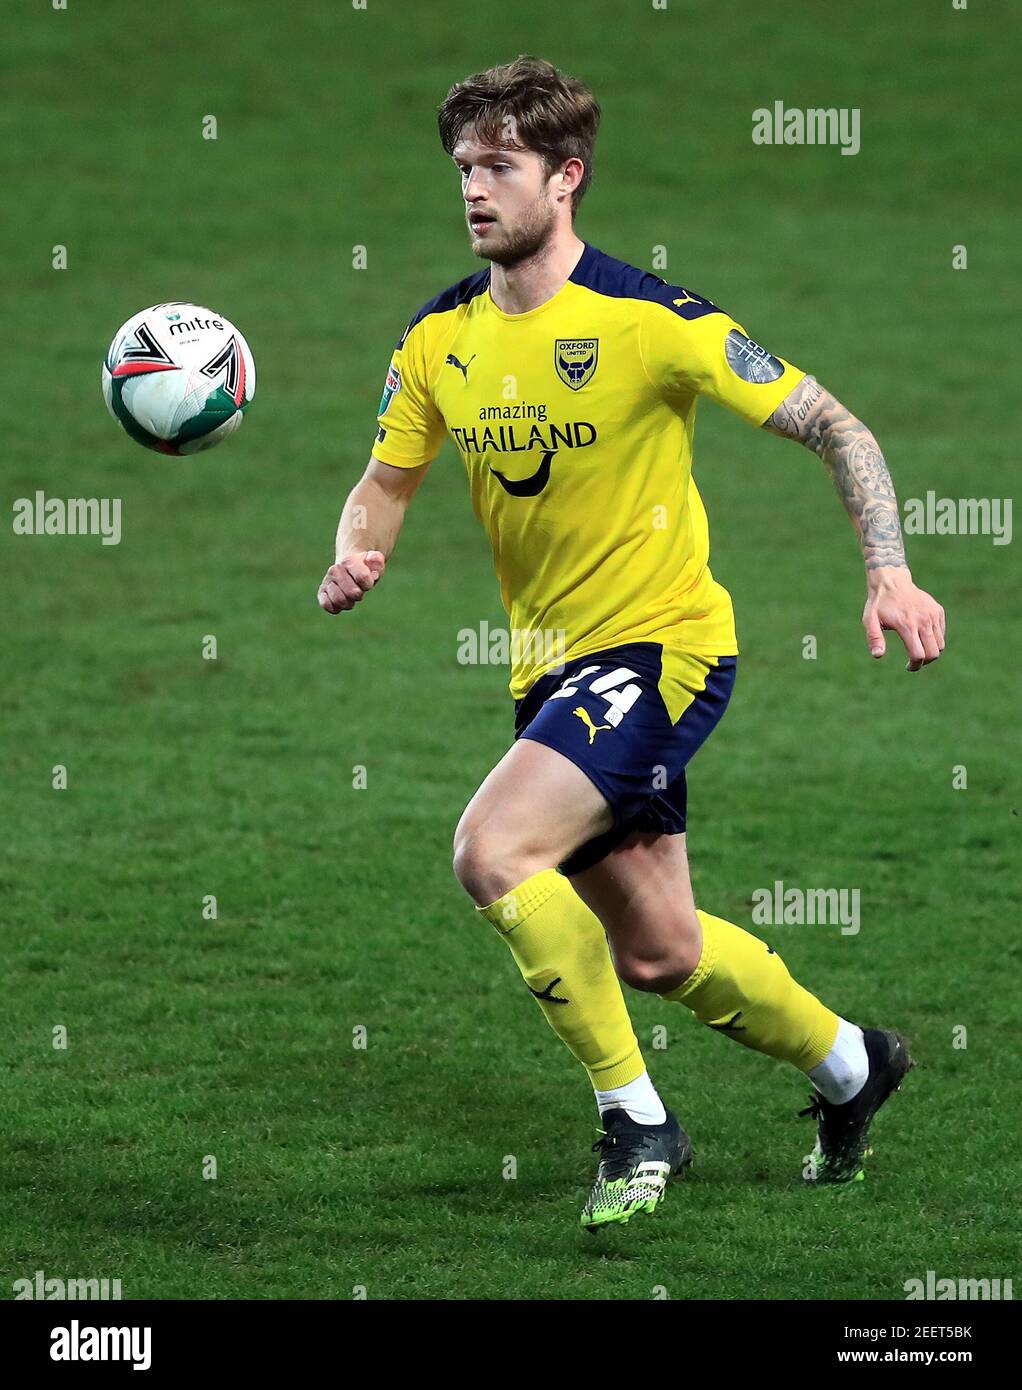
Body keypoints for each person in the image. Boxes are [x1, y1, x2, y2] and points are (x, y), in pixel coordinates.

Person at [318, 57, 945, 1231]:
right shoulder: (438, 336)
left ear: (566, 178)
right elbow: (385, 479)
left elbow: (834, 425)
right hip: (549, 670)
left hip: (662, 651)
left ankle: (637, 1120)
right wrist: (358, 551)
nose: (474, 189)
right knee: (659, 952)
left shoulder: (652, 319)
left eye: (499, 166)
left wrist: (888, 568)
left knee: (493, 850)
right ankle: (854, 1065)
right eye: (463, 168)